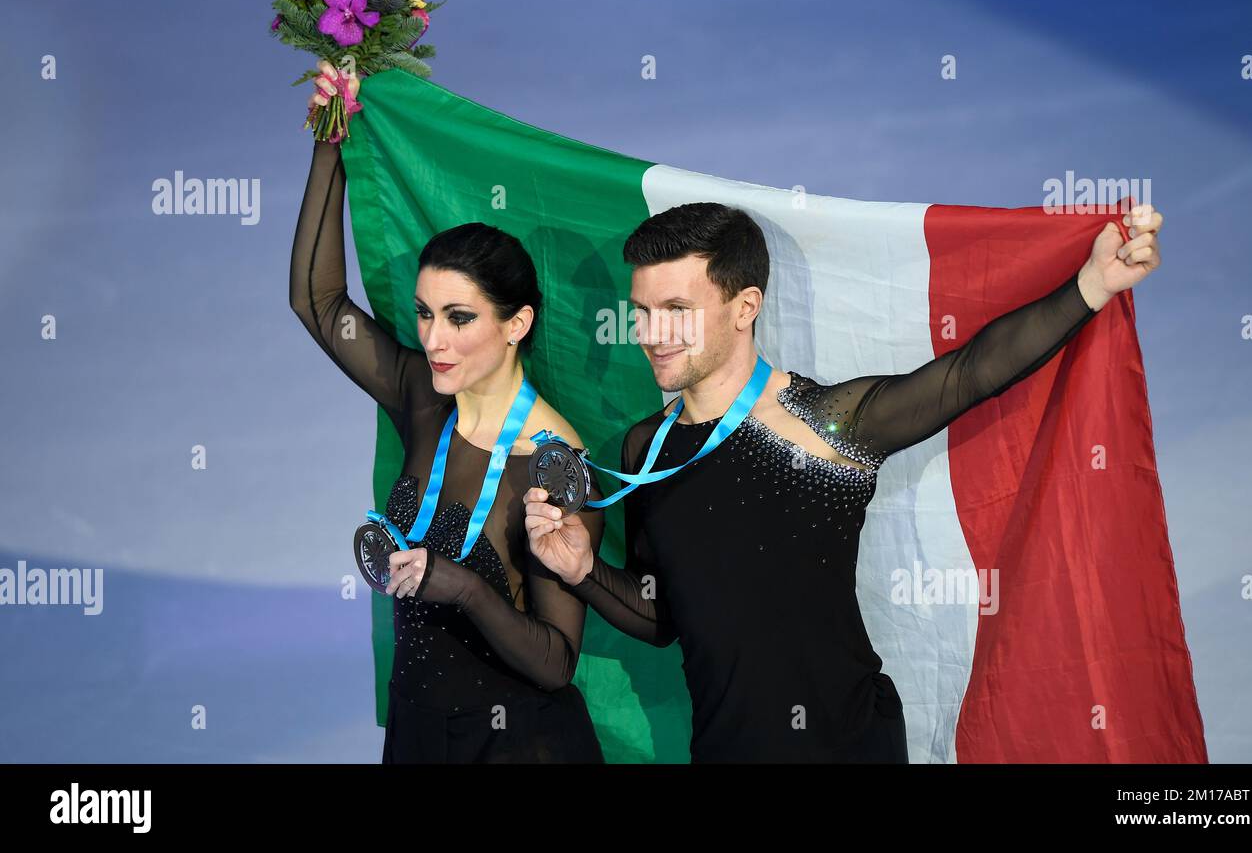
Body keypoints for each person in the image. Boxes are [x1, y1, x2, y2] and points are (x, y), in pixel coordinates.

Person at [524, 200, 1163, 763]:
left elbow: (971, 373)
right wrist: (582, 570)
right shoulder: (647, 446)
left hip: (851, 746)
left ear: (745, 306)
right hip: (724, 752)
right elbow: (665, 615)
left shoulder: (828, 422)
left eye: (676, 310)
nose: (650, 334)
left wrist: (1094, 283)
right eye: (641, 311)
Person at [290, 62, 606, 763]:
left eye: (460, 318)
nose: (433, 340)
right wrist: (327, 137)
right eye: (426, 314)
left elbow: (556, 662)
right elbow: (318, 304)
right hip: (418, 739)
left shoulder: (556, 464)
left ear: (517, 323)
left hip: (520, 748)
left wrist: (461, 586)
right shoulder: (424, 396)